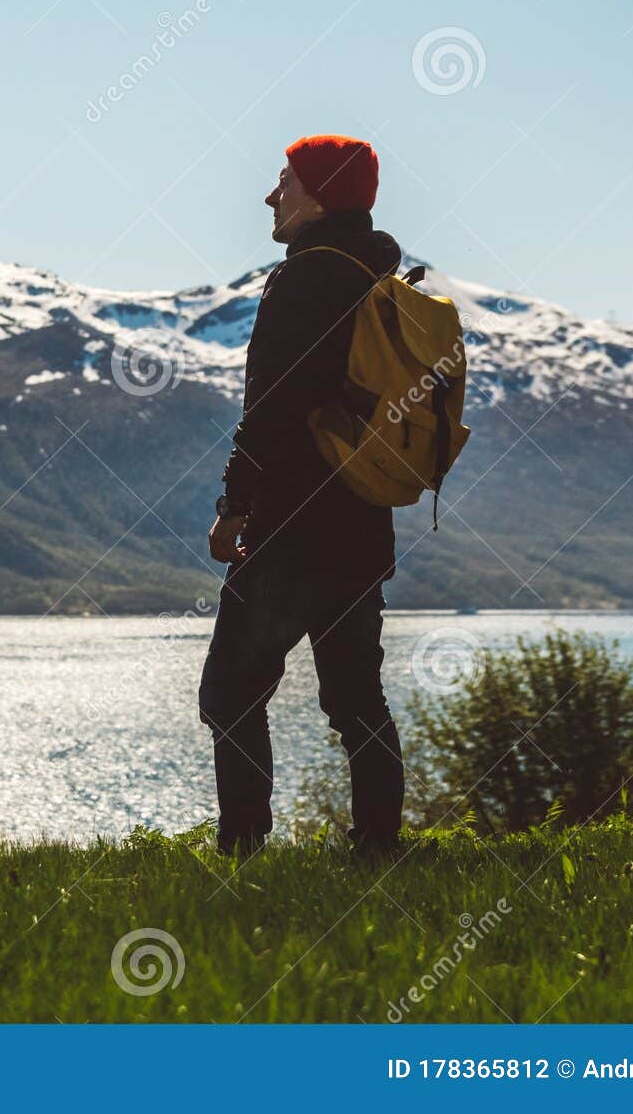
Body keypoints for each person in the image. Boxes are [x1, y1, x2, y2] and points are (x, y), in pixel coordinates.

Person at [199, 134, 404, 858]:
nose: (271, 193)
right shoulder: (375, 277)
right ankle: (379, 847)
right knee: (356, 702)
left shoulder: (303, 278)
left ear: (319, 193)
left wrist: (235, 507)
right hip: (363, 526)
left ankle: (244, 849)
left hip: (290, 528)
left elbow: (272, 407)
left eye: (284, 179)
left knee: (229, 693)